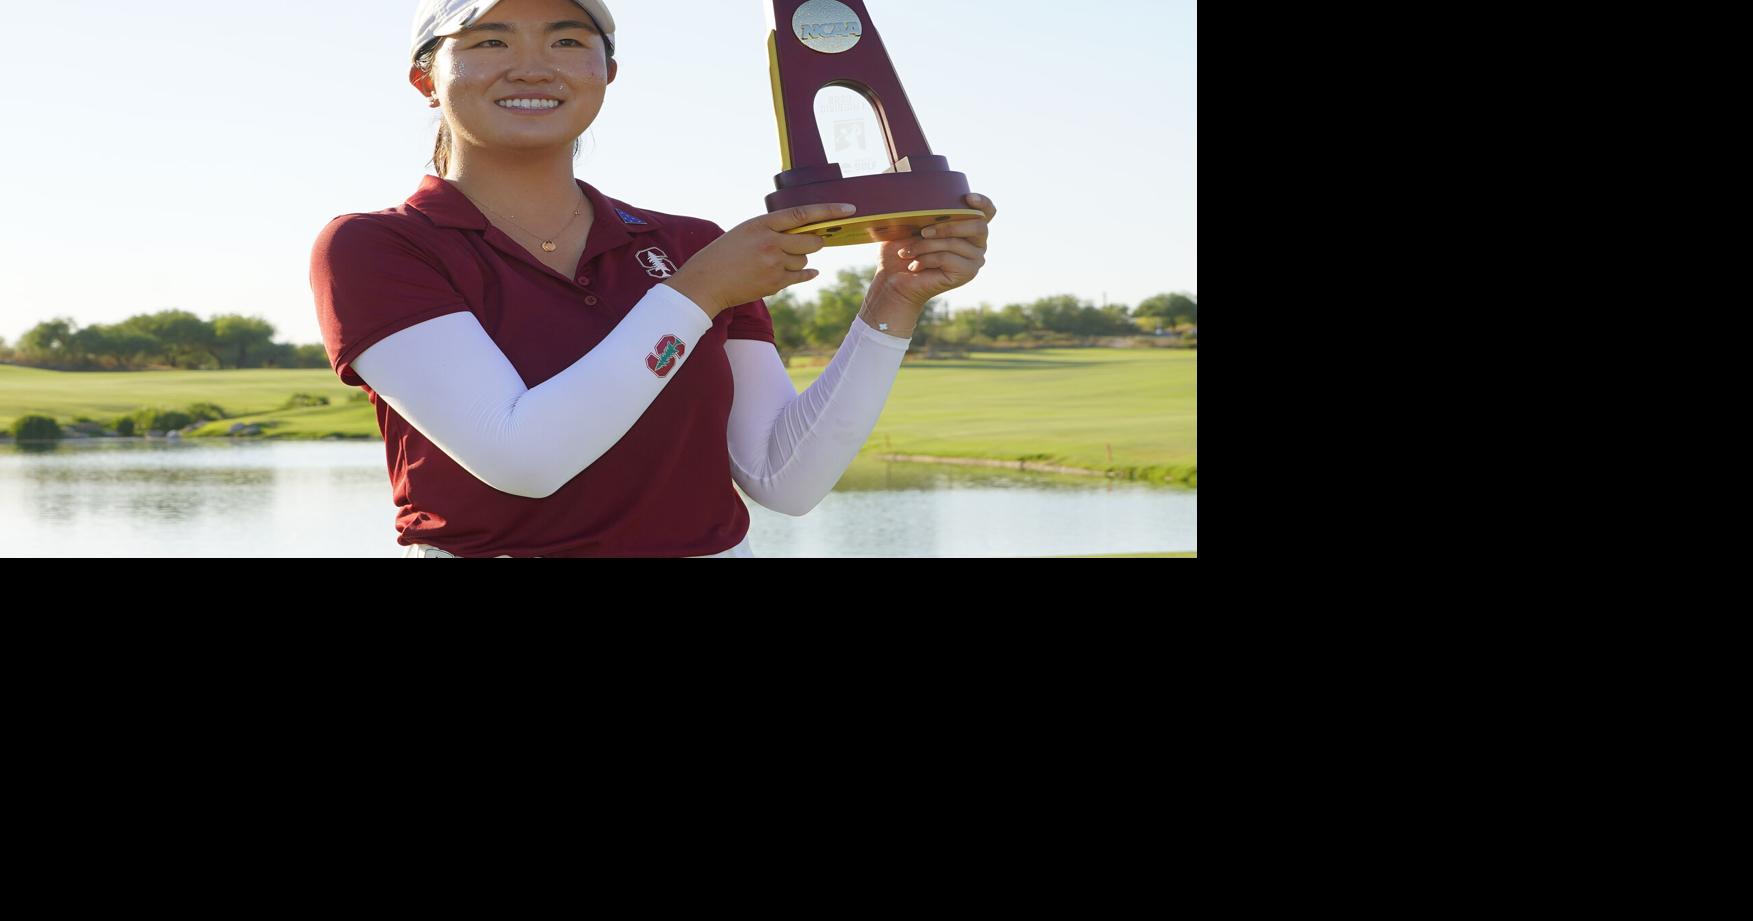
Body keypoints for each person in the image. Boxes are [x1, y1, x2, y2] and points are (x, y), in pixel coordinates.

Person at [310, 0, 996, 558]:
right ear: (425, 78)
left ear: (608, 72)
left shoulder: (688, 244)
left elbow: (783, 478)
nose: (531, 67)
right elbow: (526, 459)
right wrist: (696, 295)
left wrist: (892, 301)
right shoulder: (377, 246)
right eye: (489, 42)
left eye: (567, 40)